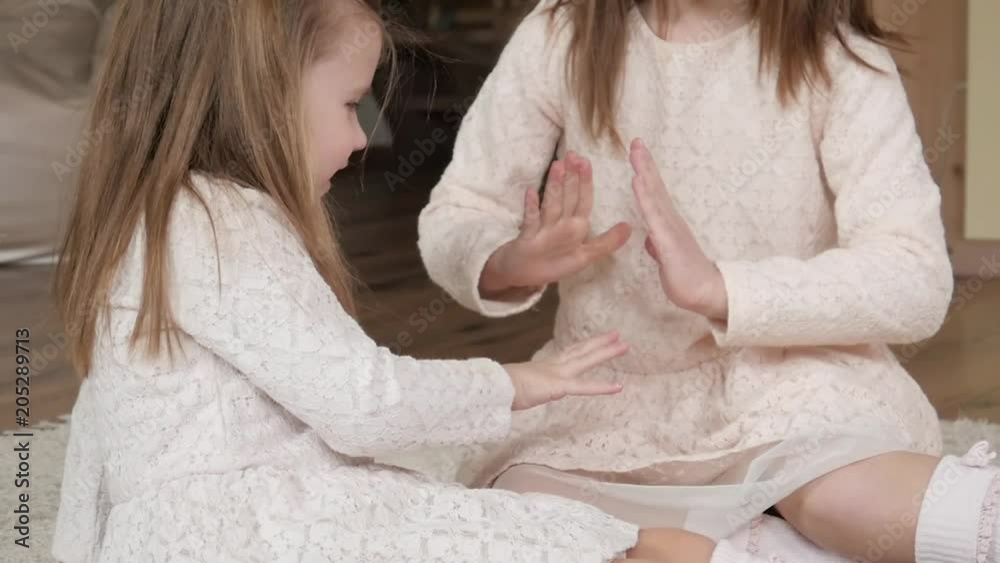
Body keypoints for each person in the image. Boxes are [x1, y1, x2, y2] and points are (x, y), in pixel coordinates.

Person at [45, 1, 711, 561]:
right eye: (350, 104)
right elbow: (362, 403)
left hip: (168, 539)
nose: (363, 137)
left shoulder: (152, 223)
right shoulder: (222, 220)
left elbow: (91, 448)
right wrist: (513, 381)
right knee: (579, 537)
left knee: (504, 518)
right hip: (260, 533)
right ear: (263, 92)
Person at [418, 0, 1000, 562]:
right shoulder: (559, 34)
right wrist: (505, 261)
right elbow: (458, 213)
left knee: (841, 500)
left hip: (789, 381)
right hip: (607, 401)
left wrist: (722, 289)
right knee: (516, 518)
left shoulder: (839, 58)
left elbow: (914, 276)